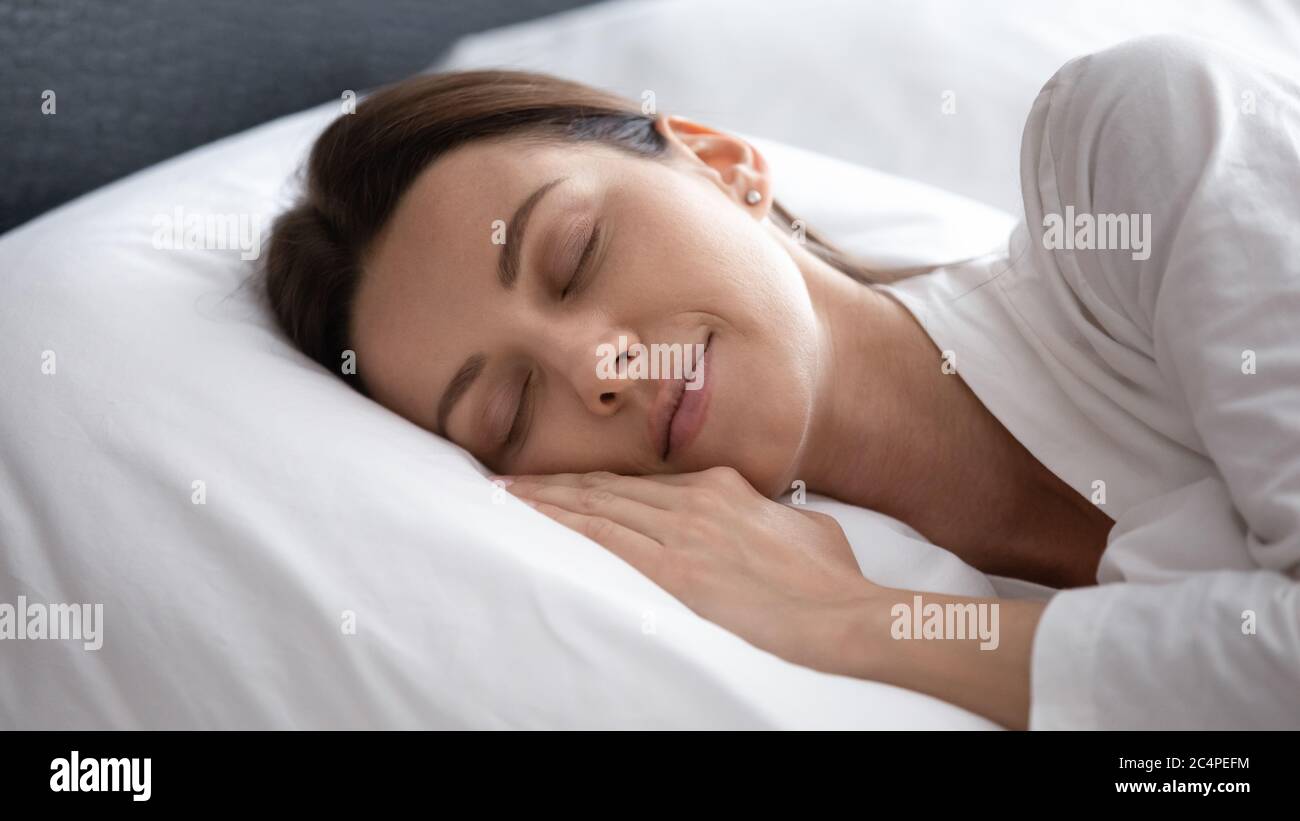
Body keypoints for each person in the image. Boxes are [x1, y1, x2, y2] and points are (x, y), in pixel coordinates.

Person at [263, 34, 1300, 729]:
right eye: (510, 409)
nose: (597, 368)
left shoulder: (1140, 145)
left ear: (720, 163)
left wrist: (858, 620)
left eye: (575, 253)